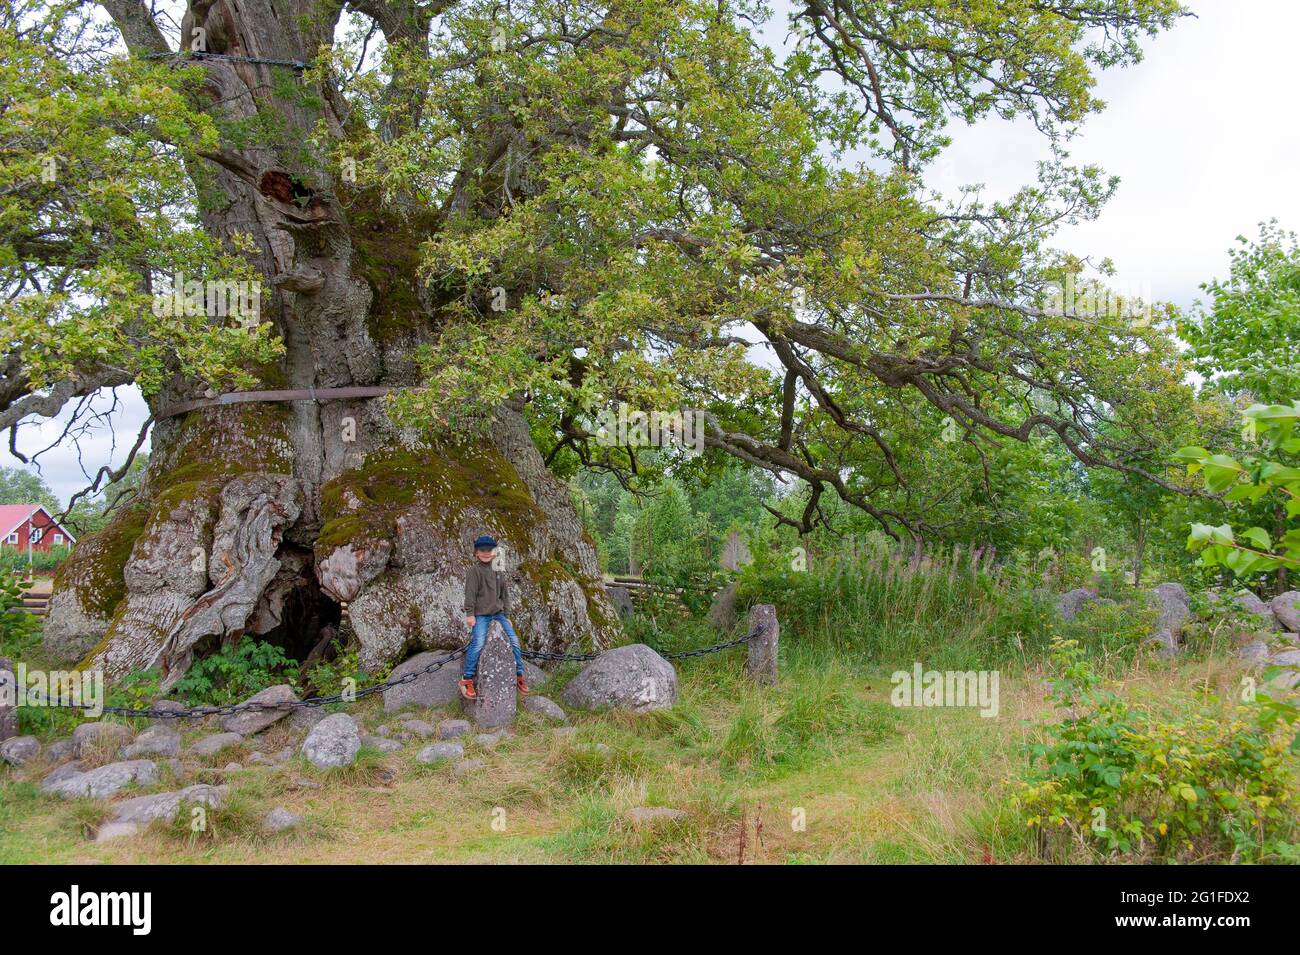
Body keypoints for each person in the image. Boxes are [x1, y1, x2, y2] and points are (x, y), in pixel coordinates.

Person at [459, 535, 528, 700]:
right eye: (482, 550)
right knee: (478, 643)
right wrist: (470, 614)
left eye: (489, 550)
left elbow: (504, 595)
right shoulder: (474, 572)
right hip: (481, 615)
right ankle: (466, 678)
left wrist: (507, 615)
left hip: (498, 614)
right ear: (476, 553)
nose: (485, 553)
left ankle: (519, 675)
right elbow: (470, 594)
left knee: (514, 641)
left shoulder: (498, 570)